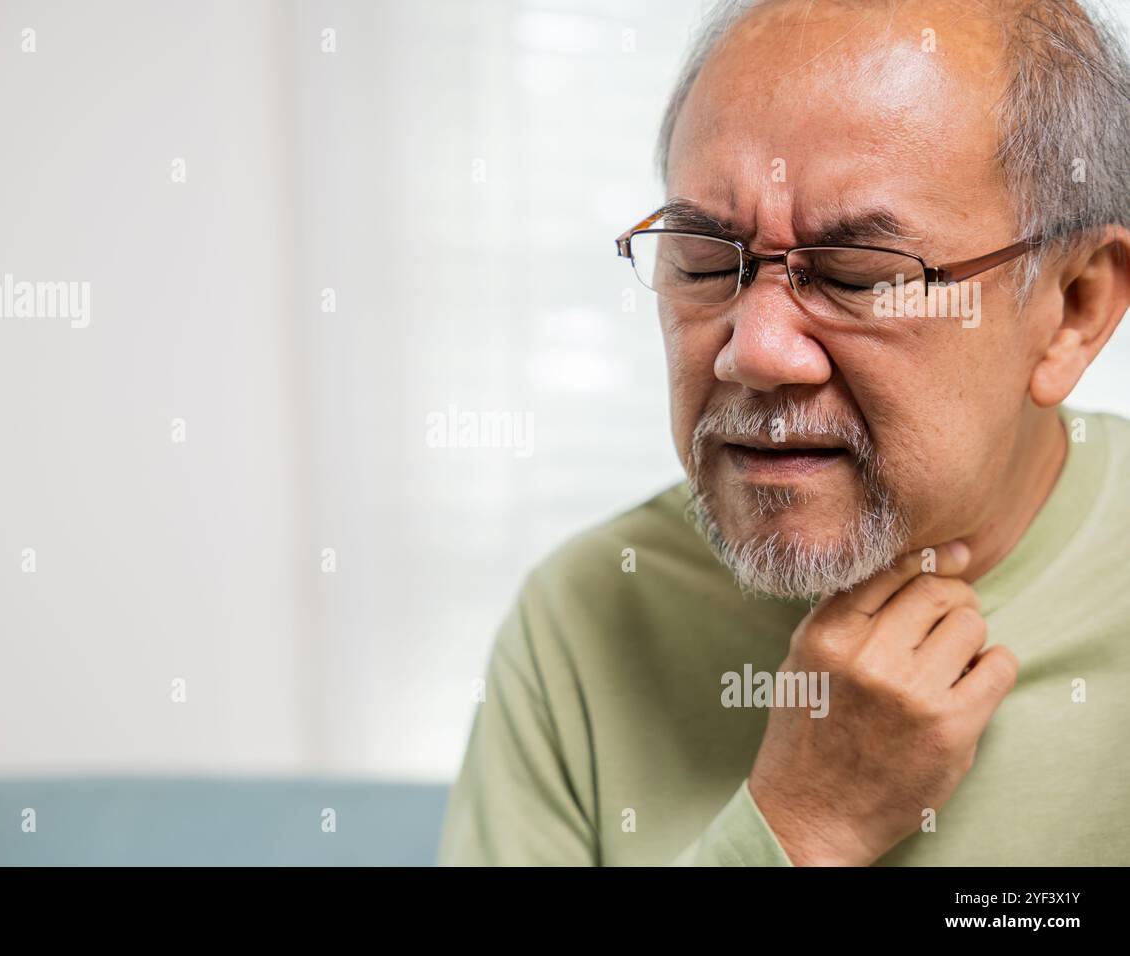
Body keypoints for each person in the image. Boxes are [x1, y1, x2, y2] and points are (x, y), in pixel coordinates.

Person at [439, 0, 1130, 865]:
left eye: (856, 274)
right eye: (700, 257)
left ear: (1075, 307)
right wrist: (803, 827)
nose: (755, 352)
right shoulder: (586, 616)